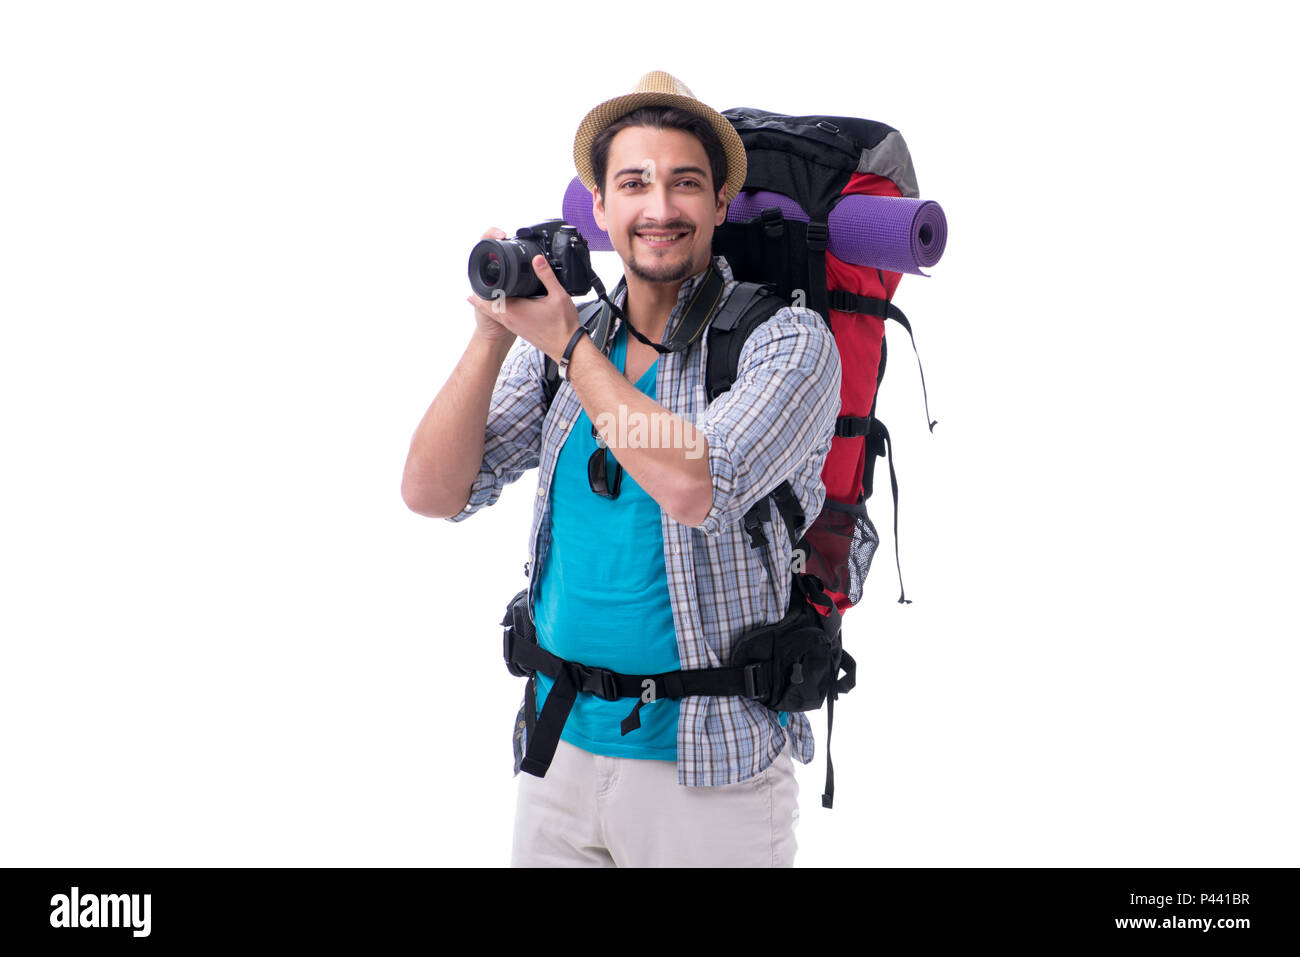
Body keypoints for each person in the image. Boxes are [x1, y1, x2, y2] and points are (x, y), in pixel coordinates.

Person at [401, 71, 842, 867]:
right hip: (558, 748)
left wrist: (567, 346)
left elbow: (696, 483)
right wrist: (493, 336)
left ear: (717, 205)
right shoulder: (577, 343)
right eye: (633, 183)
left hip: (710, 771)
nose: (660, 208)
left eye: (685, 183)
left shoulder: (787, 343)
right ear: (599, 209)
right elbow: (432, 492)